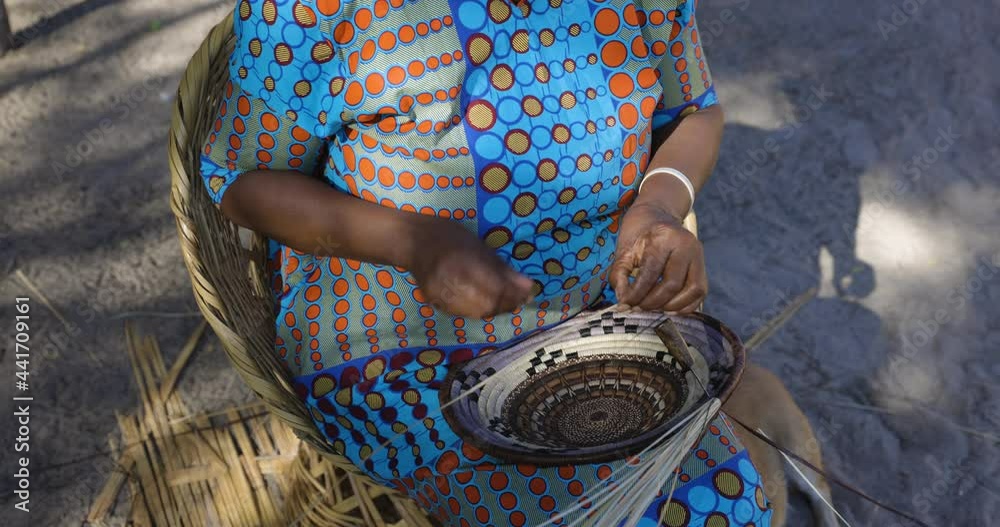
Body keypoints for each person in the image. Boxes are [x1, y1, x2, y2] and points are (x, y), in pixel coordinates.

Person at [200, 0, 772, 524]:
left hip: (596, 317)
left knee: (726, 505)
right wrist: (411, 241)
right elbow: (241, 180)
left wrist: (657, 207)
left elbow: (695, 112)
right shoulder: (316, 10)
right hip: (395, 337)